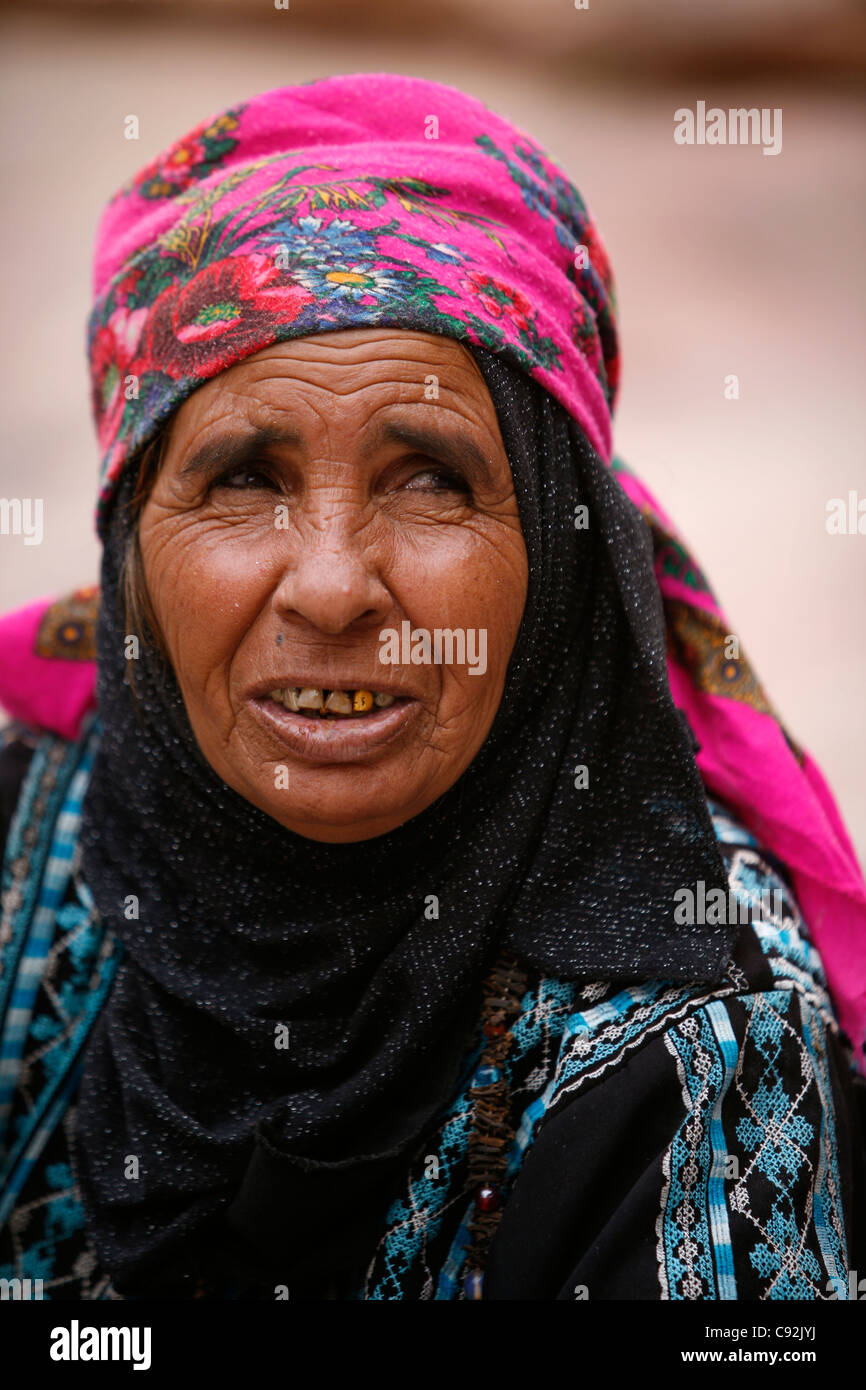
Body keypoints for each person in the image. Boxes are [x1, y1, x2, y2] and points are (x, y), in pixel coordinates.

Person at [0, 73, 863, 1302]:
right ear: (132, 541)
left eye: (432, 481)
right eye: (244, 478)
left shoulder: (712, 1044)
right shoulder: (25, 830)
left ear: (558, 550)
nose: (331, 587)